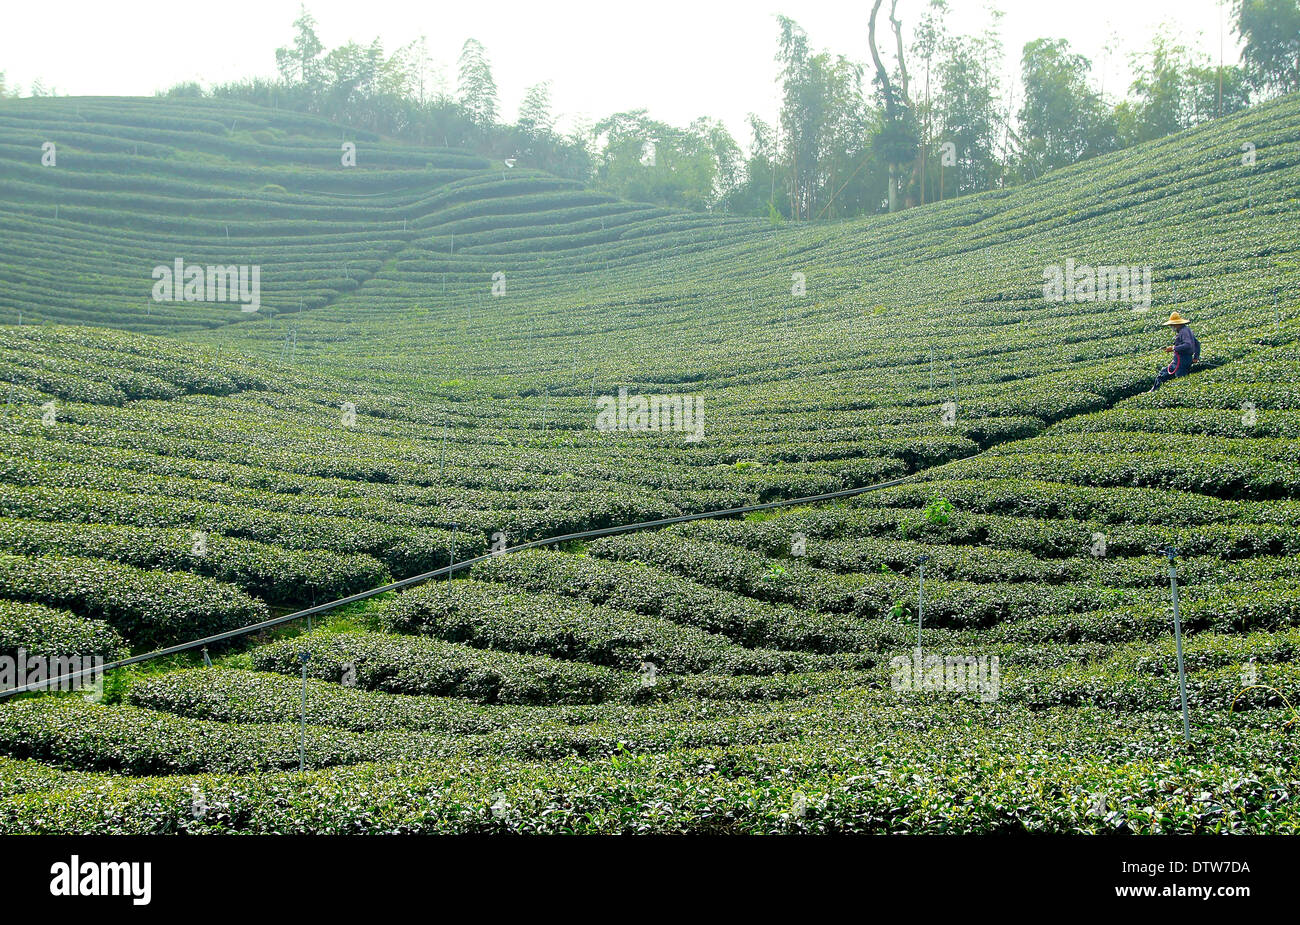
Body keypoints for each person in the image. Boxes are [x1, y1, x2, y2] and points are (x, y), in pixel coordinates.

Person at [1148, 312, 1200, 392]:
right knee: (1162, 374)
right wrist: (1196, 357)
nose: (1171, 327)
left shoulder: (1184, 331)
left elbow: (1188, 345)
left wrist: (1173, 348)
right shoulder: (1186, 330)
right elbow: (1197, 343)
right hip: (1178, 361)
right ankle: (1153, 391)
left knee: (1180, 380)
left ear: (1177, 324)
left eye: (1172, 325)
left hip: (1182, 361)